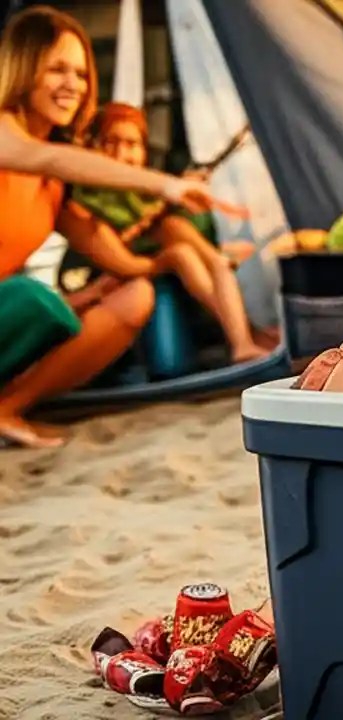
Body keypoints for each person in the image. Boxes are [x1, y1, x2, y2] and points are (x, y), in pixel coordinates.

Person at [0, 6, 229, 449]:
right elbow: (47, 156)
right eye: (57, 70)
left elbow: (121, 261)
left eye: (82, 74)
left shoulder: (55, 184)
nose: (73, 85)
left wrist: (184, 255)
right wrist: (166, 185)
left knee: (133, 296)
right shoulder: (6, 131)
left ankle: (8, 407)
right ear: (24, 68)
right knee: (33, 299)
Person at [63, 102, 270, 364]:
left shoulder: (145, 187)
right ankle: (246, 337)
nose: (121, 154)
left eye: (131, 144)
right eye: (110, 142)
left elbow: (165, 205)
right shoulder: (86, 197)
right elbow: (117, 252)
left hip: (162, 254)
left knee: (185, 248)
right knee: (180, 247)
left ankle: (244, 340)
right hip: (120, 271)